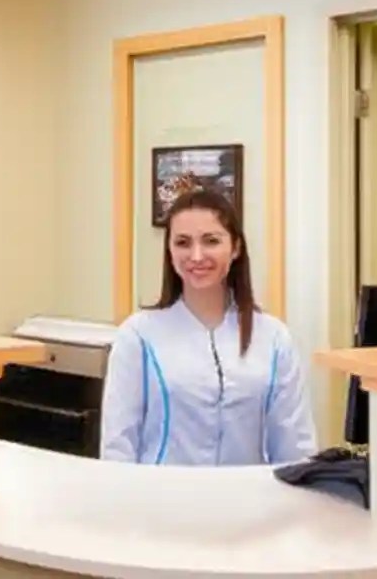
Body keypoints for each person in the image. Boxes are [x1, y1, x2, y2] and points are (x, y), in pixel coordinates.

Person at [100, 189, 317, 466]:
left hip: (248, 492)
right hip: (161, 491)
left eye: (211, 241)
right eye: (183, 243)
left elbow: (295, 447)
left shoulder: (274, 338)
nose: (196, 256)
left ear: (236, 247)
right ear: (170, 251)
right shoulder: (139, 335)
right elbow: (118, 446)